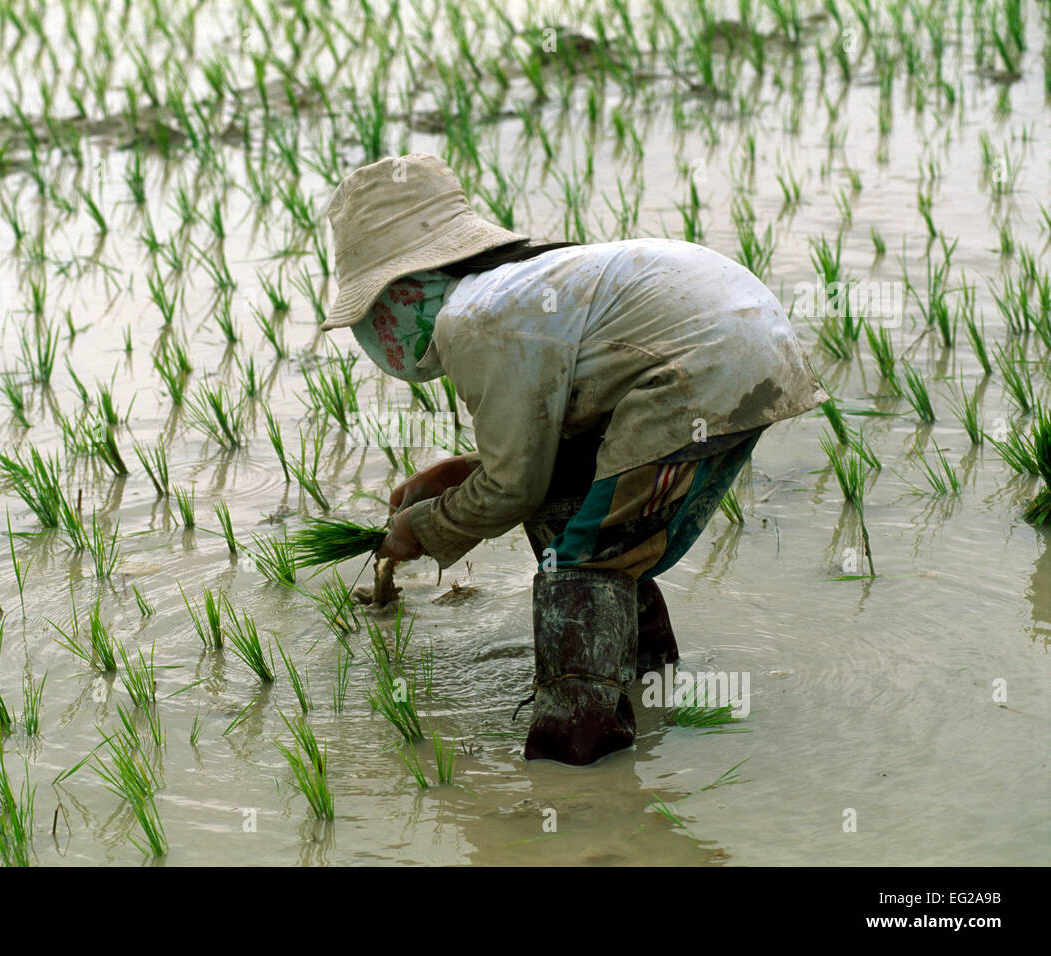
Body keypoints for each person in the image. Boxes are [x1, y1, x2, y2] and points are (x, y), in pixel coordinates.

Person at [321, 153, 826, 765]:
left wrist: (418, 530)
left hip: (698, 374)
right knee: (579, 513)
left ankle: (578, 751)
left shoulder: (473, 320)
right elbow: (540, 454)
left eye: (375, 311)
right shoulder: (519, 285)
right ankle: (646, 681)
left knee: (584, 560)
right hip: (746, 349)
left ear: (400, 294)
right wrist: (462, 472)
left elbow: (512, 489)